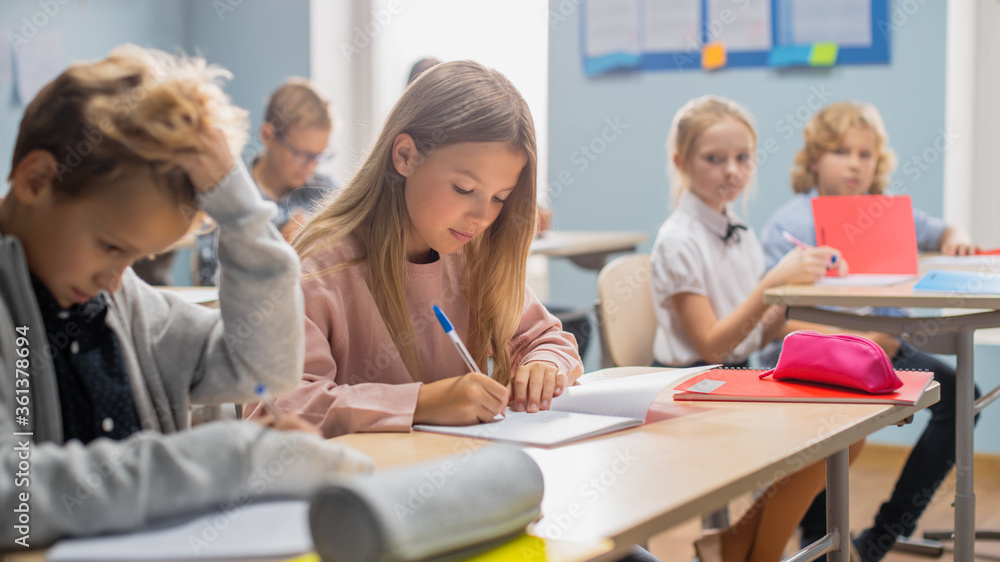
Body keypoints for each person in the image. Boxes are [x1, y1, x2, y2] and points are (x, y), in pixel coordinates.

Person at [0, 45, 370, 547]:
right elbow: (11, 499)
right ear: (37, 180)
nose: (116, 280)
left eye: (134, 257)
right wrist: (229, 460)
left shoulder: (124, 301)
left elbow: (262, 369)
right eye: (110, 246)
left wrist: (239, 209)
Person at [245, 59, 584, 436]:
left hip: (452, 473)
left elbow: (547, 338)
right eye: (464, 189)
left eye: (499, 198)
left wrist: (544, 366)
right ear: (405, 156)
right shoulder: (320, 266)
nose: (481, 217)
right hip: (352, 484)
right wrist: (423, 402)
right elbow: (275, 408)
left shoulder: (473, 253)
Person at [759, 101, 981, 561]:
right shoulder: (786, 224)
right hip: (811, 359)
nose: (856, 164)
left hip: (881, 349)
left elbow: (943, 230)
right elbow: (771, 317)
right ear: (815, 158)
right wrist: (855, 339)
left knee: (960, 394)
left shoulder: (886, 213)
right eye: (842, 151)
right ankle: (816, 542)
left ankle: (882, 535)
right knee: (826, 425)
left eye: (866, 154)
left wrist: (954, 238)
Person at [649, 95, 863, 561]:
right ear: (680, 162)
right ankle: (748, 551)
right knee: (829, 435)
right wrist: (772, 283)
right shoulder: (678, 239)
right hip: (686, 391)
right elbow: (711, 342)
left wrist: (797, 294)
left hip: (735, 376)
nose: (732, 171)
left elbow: (753, 334)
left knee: (852, 426)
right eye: (714, 159)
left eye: (743, 158)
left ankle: (736, 544)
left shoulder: (740, 232)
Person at [196, 78, 337, 286]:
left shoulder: (324, 193)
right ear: (268, 135)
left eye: (318, 156)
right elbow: (211, 282)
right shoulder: (229, 197)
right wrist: (280, 250)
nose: (310, 167)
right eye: (300, 154)